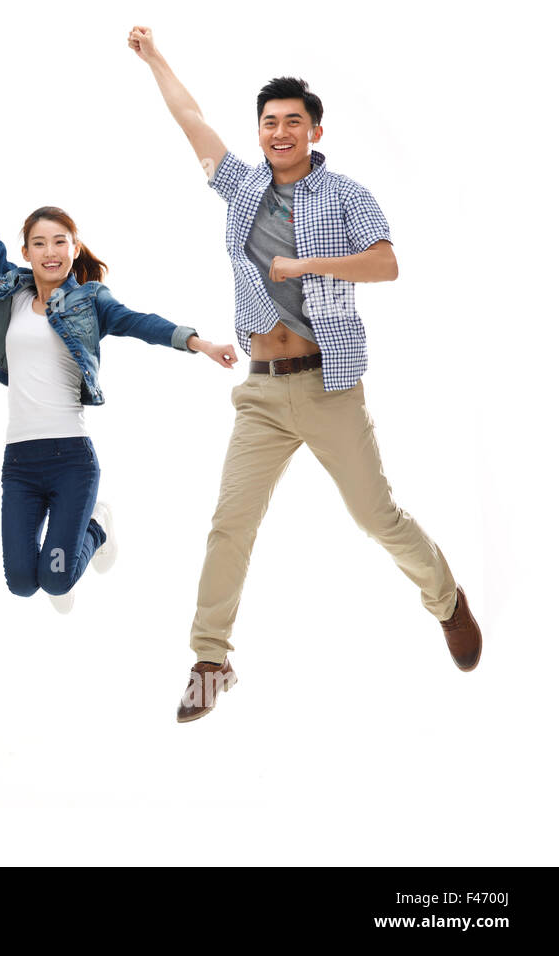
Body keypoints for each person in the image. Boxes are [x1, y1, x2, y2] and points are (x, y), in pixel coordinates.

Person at [127, 26, 483, 722]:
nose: (280, 131)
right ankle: (210, 658)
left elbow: (387, 263)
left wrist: (312, 264)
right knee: (229, 523)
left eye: (293, 121)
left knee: (374, 515)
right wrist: (155, 59)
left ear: (314, 130)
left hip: (328, 383)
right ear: (259, 132)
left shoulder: (346, 195)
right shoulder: (241, 187)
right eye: (269, 122)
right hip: (261, 389)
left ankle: (446, 599)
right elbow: (189, 117)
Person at [0, 135, 234, 613]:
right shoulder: (11, 290)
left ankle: (97, 527)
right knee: (21, 583)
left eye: (60, 242)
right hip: (20, 463)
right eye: (39, 243)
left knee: (56, 583)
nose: (50, 252)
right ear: (27, 252)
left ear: (74, 248)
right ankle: (76, 542)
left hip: (70, 458)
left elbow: (141, 323)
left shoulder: (91, 300)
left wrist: (198, 342)